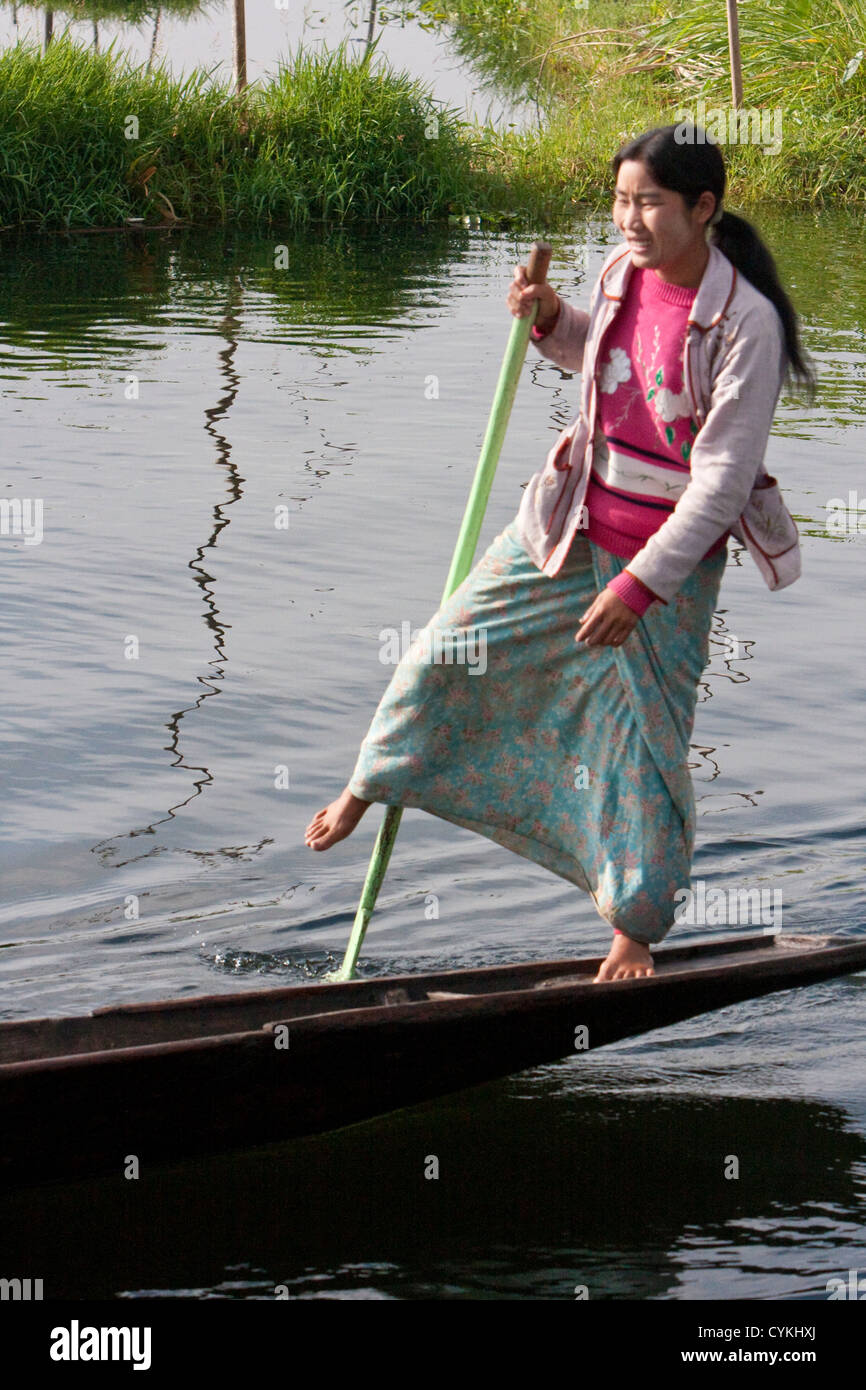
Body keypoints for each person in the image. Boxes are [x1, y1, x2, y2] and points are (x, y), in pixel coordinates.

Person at [305, 123, 815, 983]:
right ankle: (375, 778)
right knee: (444, 648)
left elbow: (723, 484)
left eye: (648, 203)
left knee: (642, 742)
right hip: (566, 522)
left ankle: (634, 927)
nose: (629, 220)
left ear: (703, 208)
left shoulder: (744, 323)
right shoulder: (622, 275)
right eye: (620, 201)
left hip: (664, 565)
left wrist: (641, 585)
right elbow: (606, 366)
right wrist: (551, 320)